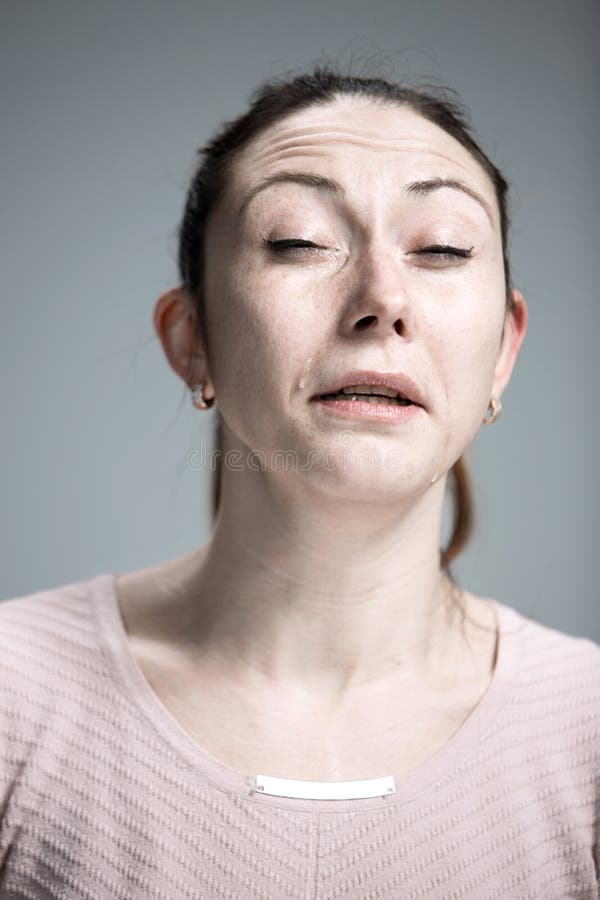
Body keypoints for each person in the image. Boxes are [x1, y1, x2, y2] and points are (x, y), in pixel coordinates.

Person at [1, 64, 598, 899]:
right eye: (300, 240)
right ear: (191, 337)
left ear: (503, 349)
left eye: (444, 248)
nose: (384, 300)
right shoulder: (13, 696)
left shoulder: (588, 734)